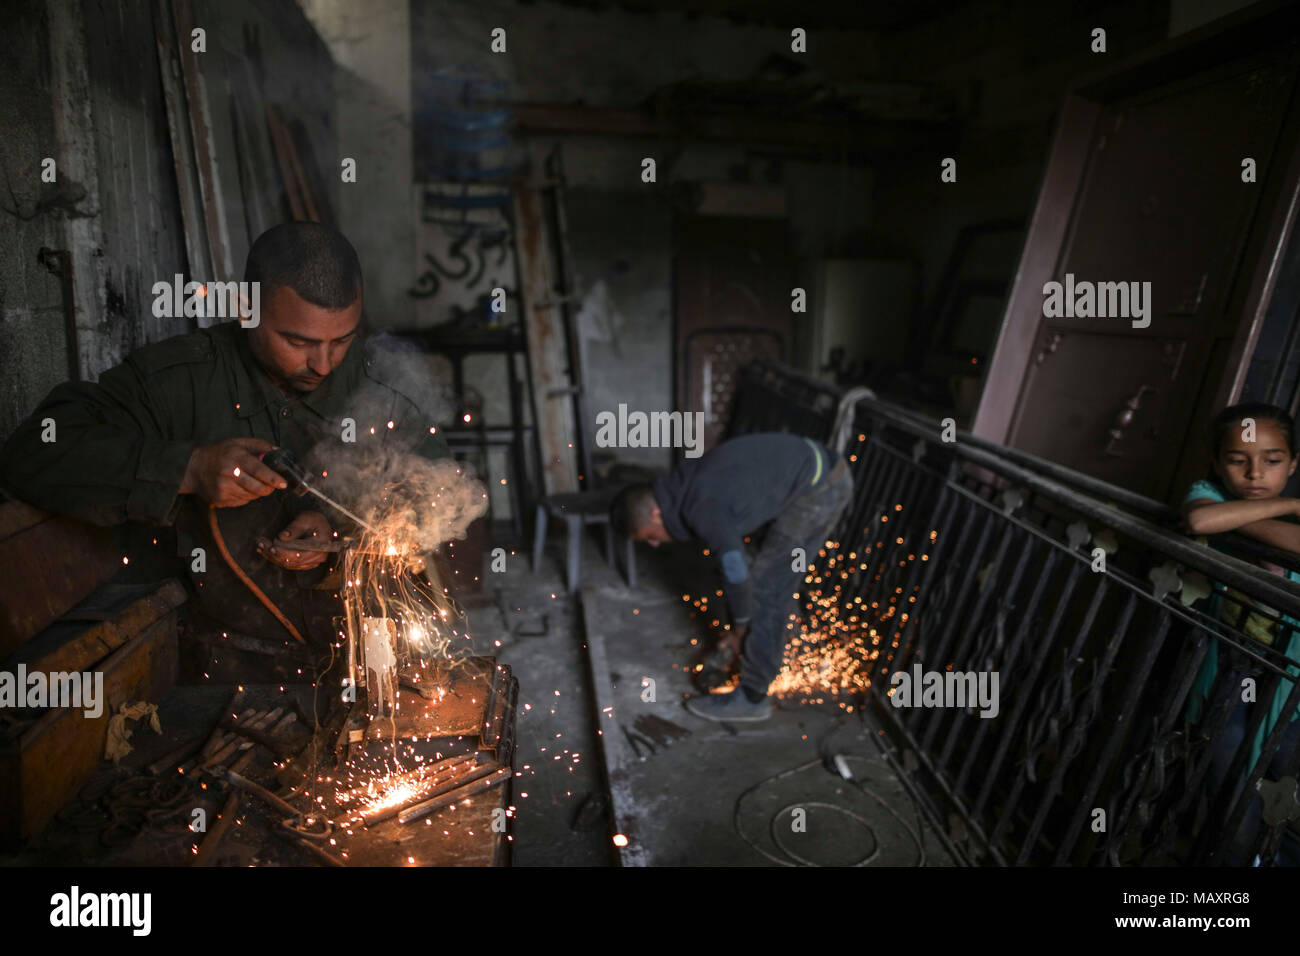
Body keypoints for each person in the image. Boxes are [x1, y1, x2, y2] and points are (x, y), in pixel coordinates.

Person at [0, 222, 449, 677]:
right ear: (245, 309)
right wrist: (188, 469)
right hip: (209, 665)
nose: (324, 363)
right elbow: (34, 451)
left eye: (342, 340)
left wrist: (336, 531)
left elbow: (437, 499)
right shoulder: (178, 381)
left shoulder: (380, 387)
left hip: (355, 659)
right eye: (299, 342)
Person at [612, 432, 852, 722]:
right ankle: (778, 643)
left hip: (819, 488)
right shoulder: (680, 488)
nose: (653, 544)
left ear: (655, 514)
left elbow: (735, 574)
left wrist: (739, 628)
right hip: (812, 469)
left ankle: (752, 697)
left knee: (767, 589)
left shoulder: (701, 507)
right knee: (757, 573)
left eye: (649, 537)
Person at [1182, 401, 1300, 865]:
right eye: (1238, 460)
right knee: (1231, 790)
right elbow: (1200, 521)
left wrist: (1244, 517)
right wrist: (1289, 504)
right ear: (1217, 463)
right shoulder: (1205, 492)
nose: (1255, 474)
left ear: (1292, 464)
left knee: (1285, 795)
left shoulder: (1226, 501)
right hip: (1229, 670)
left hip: (1290, 682)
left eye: (1272, 461)